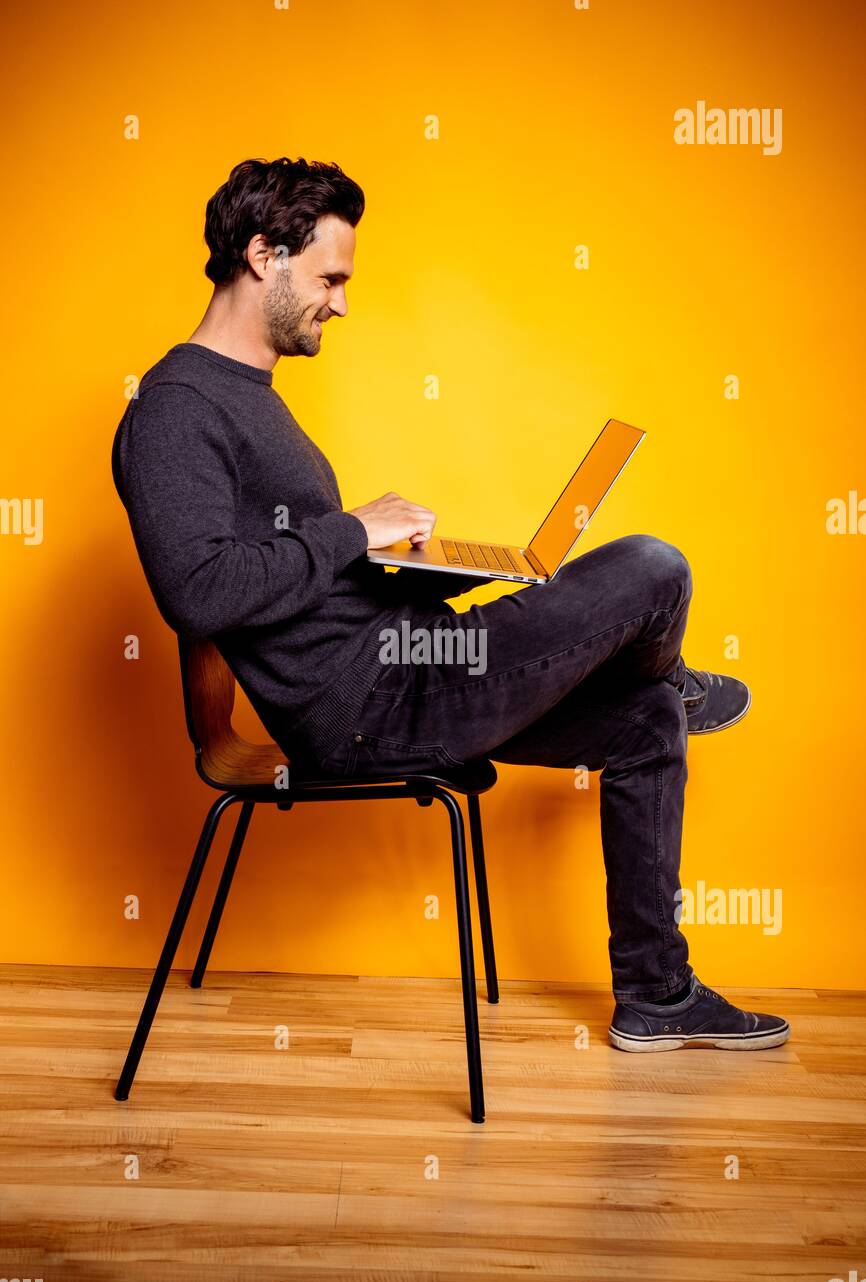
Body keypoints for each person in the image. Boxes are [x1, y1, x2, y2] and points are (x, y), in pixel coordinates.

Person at [111, 156, 790, 1054]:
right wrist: (354, 530)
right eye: (330, 278)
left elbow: (306, 584)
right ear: (261, 254)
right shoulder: (172, 411)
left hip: (415, 663)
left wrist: (431, 572)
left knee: (645, 721)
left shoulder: (252, 400)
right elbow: (197, 591)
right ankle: (671, 668)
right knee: (654, 566)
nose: (342, 303)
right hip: (369, 709)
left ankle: (657, 993)